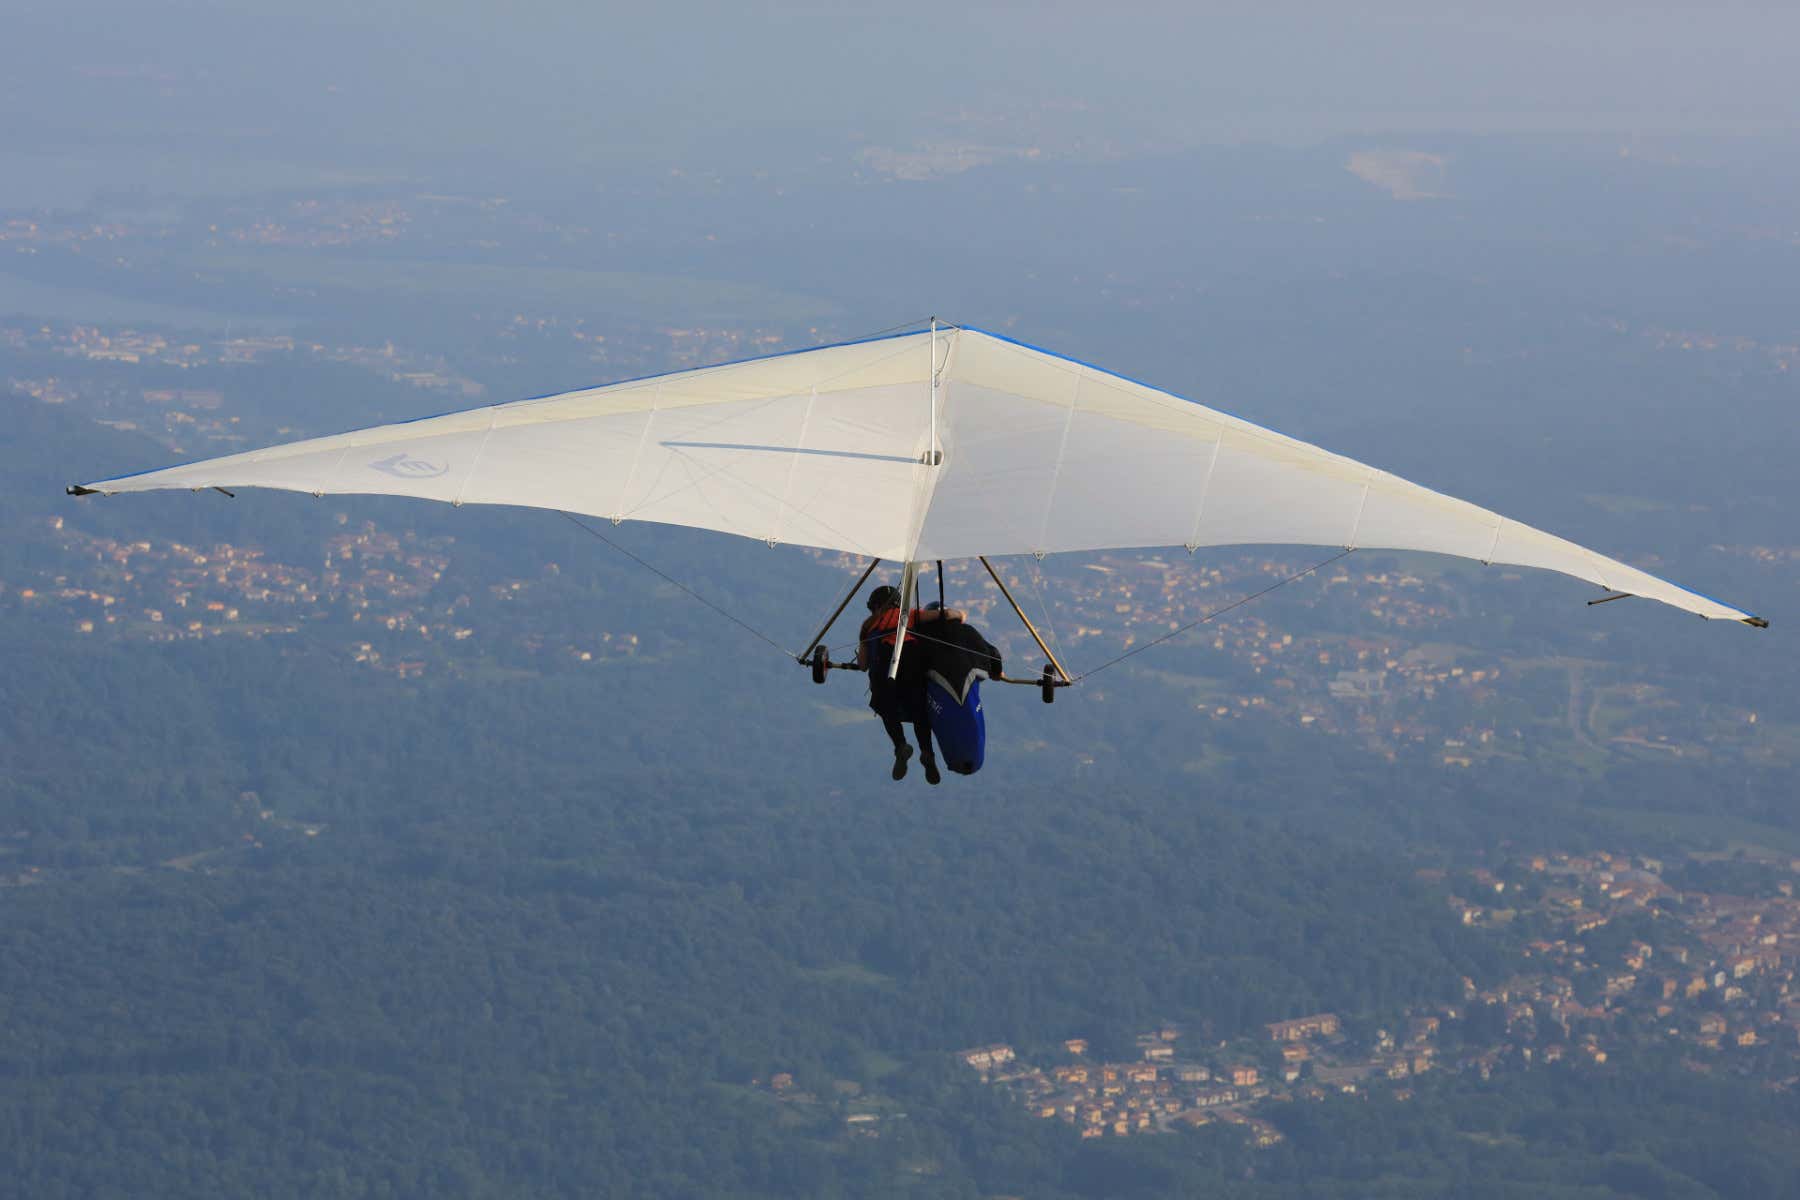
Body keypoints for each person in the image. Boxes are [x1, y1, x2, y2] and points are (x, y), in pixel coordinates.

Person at [858, 584, 963, 784]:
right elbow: (945, 614)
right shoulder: (908, 615)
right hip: (912, 670)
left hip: (883, 677)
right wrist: (960, 614)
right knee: (919, 713)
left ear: (877, 606)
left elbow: (863, 665)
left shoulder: (867, 626)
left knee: (886, 709)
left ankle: (900, 746)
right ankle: (927, 753)